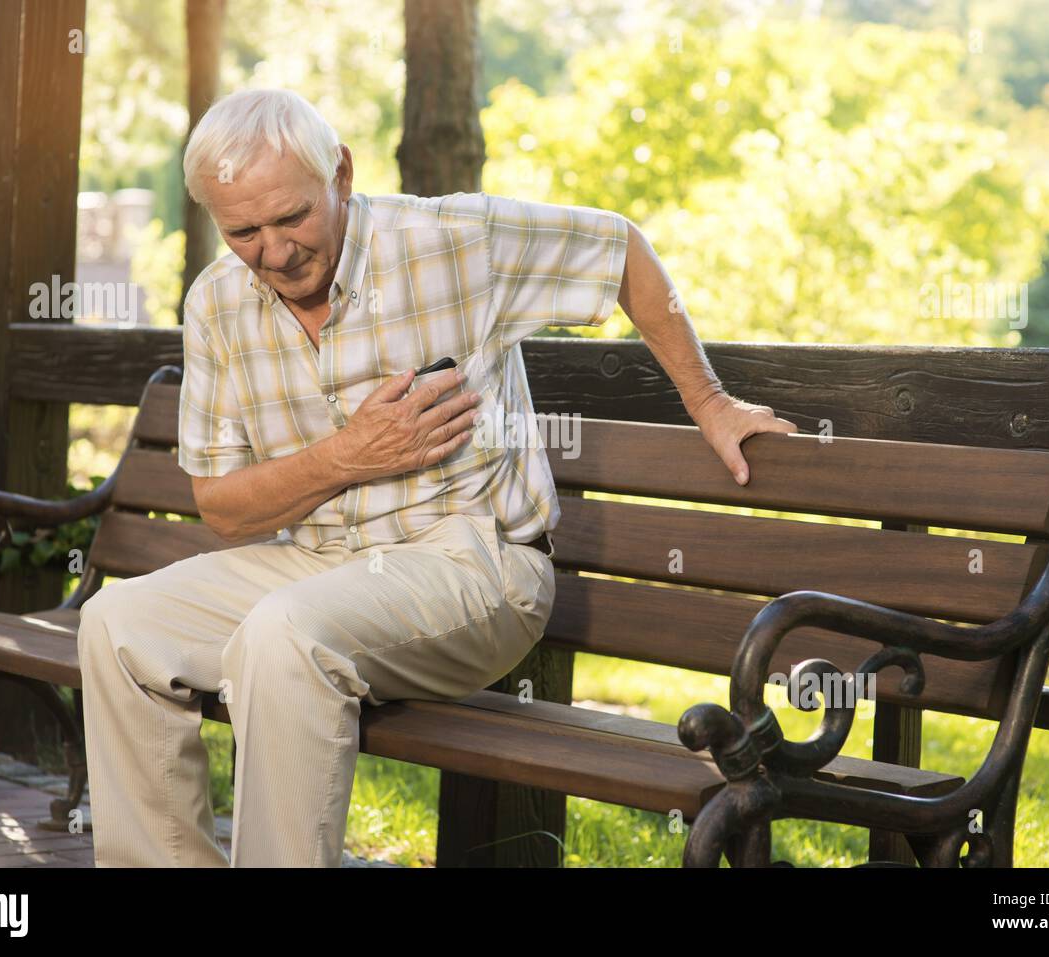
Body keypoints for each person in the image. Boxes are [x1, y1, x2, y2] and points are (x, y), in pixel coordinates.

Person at [76, 88, 797, 867]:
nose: (275, 253)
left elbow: (620, 249)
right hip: (314, 566)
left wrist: (711, 402)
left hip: (474, 566)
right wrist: (347, 455)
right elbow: (222, 508)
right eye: (243, 231)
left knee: (283, 633)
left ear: (342, 174)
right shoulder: (216, 304)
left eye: (292, 219)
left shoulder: (453, 240)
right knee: (117, 625)